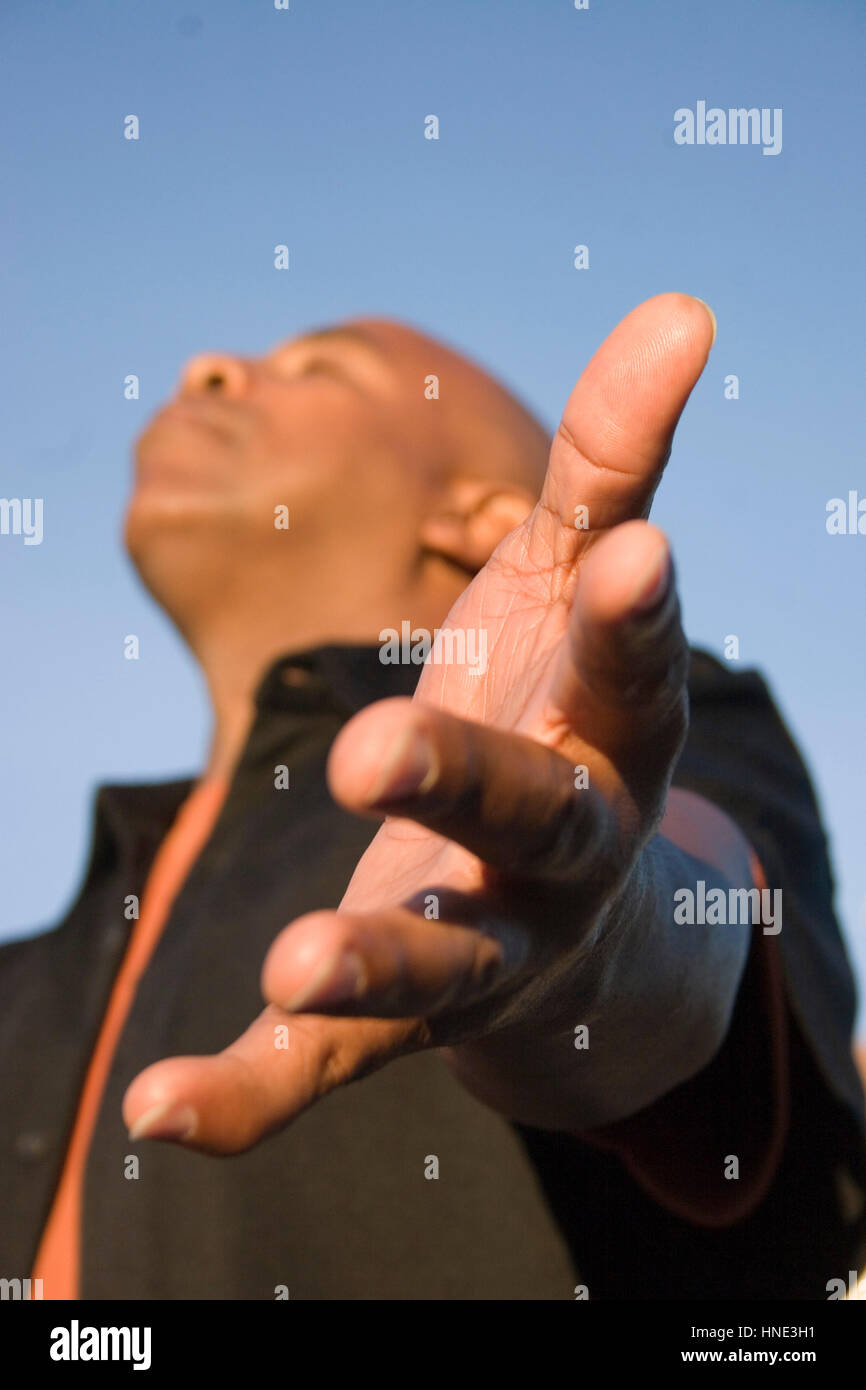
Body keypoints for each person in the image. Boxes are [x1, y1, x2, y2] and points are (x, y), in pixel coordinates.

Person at [2, 295, 864, 1300]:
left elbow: (685, 923)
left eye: (323, 366)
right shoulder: (37, 962)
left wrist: (591, 935)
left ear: (481, 519)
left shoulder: (647, 708)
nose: (206, 366)